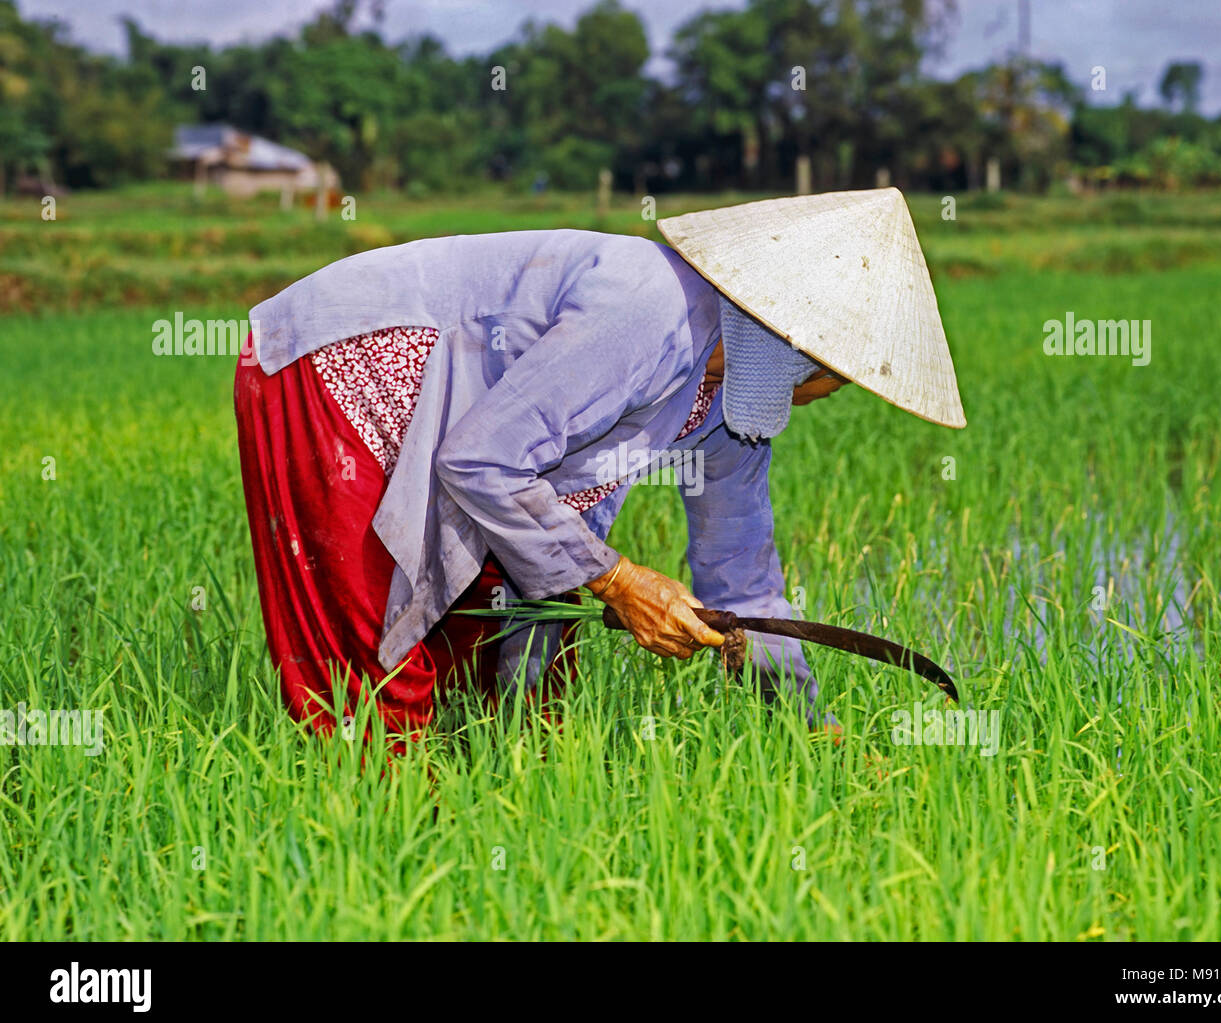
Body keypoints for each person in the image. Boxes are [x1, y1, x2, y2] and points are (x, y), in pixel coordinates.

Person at [233, 189, 964, 743]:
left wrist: (807, 728)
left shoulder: (730, 407)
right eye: (839, 378)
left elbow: (745, 580)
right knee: (372, 647)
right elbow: (482, 461)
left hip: (479, 439)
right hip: (342, 371)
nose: (829, 399)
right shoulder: (651, 310)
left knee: (523, 667)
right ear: (795, 345)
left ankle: (495, 821)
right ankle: (383, 842)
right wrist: (619, 581)